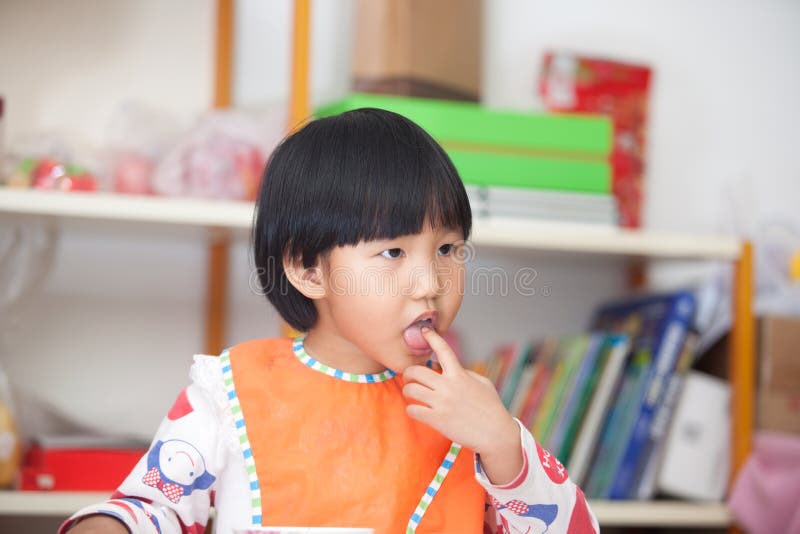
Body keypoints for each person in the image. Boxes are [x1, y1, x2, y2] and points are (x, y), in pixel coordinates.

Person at [61, 108, 598, 534]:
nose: (429, 281)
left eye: (448, 247)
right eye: (393, 252)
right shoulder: (229, 393)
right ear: (307, 269)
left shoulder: (471, 410)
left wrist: (505, 446)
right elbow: (154, 509)